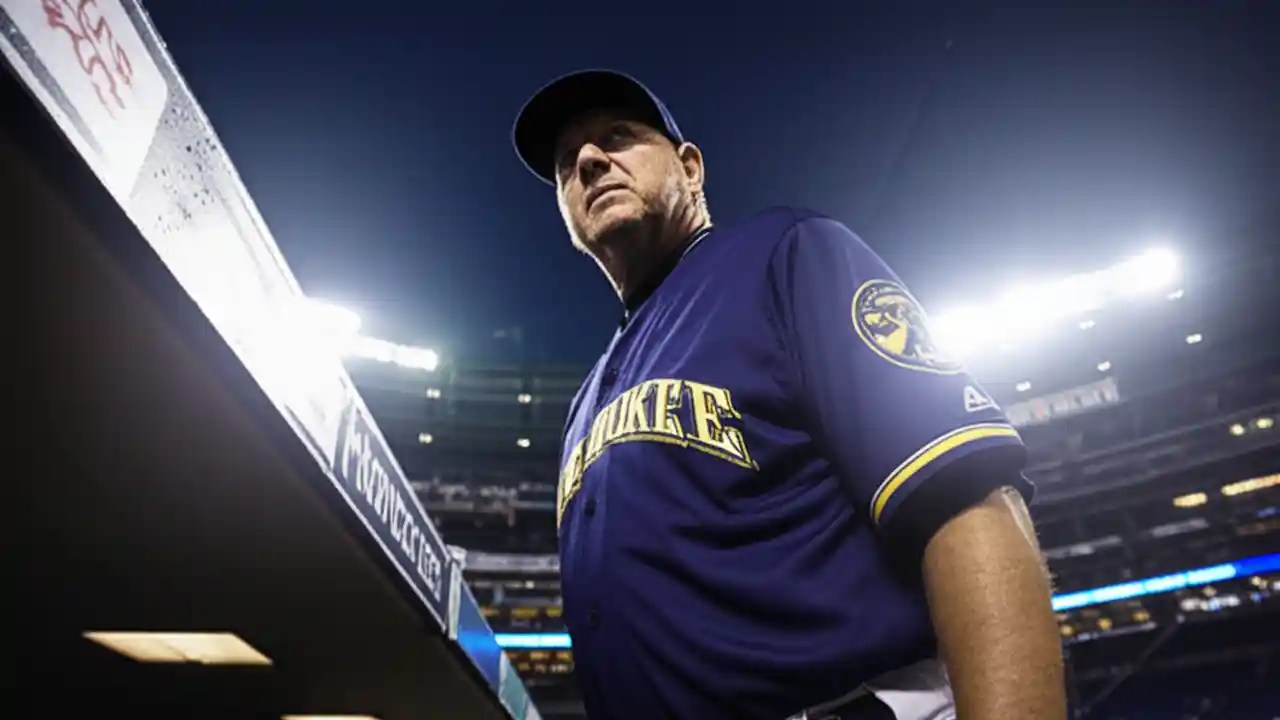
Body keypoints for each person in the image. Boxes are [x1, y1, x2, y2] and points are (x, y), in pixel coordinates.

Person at [511, 69, 1066, 720]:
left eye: (618, 136)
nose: (588, 161)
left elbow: (965, 499)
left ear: (691, 168)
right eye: (566, 164)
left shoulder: (787, 255)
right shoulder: (585, 403)